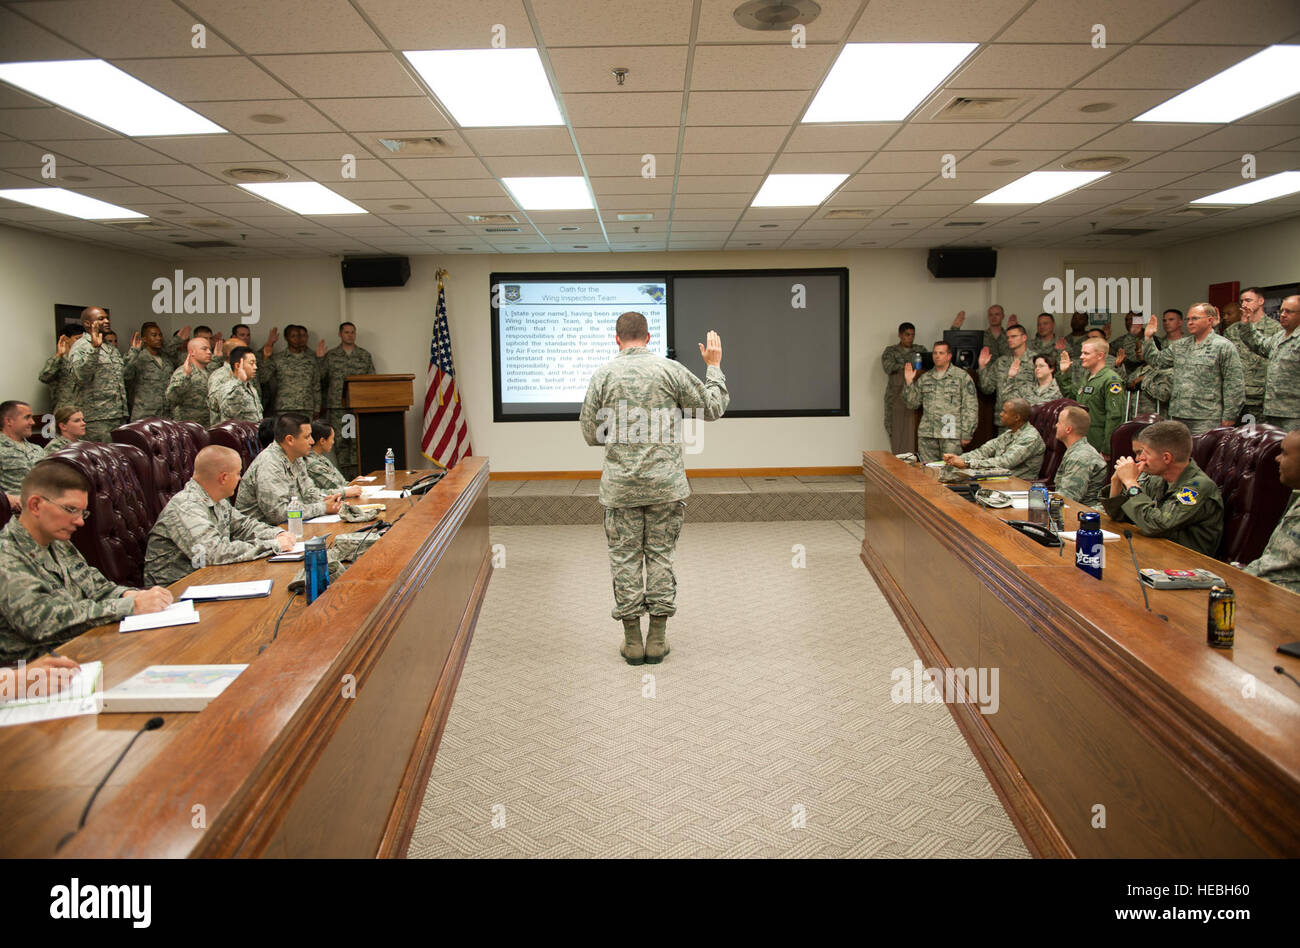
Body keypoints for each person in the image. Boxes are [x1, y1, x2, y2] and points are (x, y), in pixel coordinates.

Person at [579, 312, 729, 666]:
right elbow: (713, 408)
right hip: (665, 487)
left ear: (617, 339)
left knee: (625, 559)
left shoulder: (603, 375)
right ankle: (657, 638)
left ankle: (632, 641)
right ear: (648, 337)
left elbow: (589, 433)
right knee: (660, 556)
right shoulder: (670, 370)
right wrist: (714, 367)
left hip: (620, 488)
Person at [0, 461, 172, 664]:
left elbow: (97, 587)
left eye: (83, 512)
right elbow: (42, 622)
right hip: (37, 674)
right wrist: (130, 605)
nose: (80, 521)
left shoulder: (58, 541)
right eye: (71, 509)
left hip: (88, 649)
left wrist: (129, 594)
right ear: (36, 505)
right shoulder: (7, 555)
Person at [145, 446, 296, 586]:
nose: (240, 479)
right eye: (237, 473)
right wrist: (274, 545)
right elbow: (213, 553)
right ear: (223, 477)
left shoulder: (217, 500)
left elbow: (244, 526)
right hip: (175, 591)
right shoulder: (186, 506)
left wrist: (278, 534)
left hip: (209, 579)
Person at [1101, 420, 1223, 556]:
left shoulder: (1197, 487)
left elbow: (1156, 525)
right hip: (1154, 551)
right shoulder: (1158, 479)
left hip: (1187, 562)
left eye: (1145, 453)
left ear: (1166, 457)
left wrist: (1130, 483)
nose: (1140, 458)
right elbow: (1120, 515)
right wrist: (1117, 481)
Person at [236, 412, 357, 526]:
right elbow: (278, 514)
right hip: (265, 533)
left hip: (291, 526)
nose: (312, 441)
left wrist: (331, 501)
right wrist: (323, 507)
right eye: (307, 437)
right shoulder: (270, 464)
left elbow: (309, 493)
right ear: (290, 440)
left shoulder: (297, 458)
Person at [1142, 302, 1244, 437]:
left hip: (1207, 417)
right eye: (1188, 319)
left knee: (1201, 457)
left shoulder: (1223, 346)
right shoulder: (1180, 346)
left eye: (1195, 318)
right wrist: (1148, 338)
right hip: (1178, 415)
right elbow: (1157, 361)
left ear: (1210, 320)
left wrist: (1230, 416)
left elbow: (1234, 384)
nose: (1189, 322)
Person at [1240, 429, 1300, 593]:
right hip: (1256, 589)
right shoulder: (1296, 498)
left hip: (1282, 604)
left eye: (1284, 453)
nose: (1277, 458)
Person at [901, 340, 977, 462]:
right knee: (928, 472)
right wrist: (909, 382)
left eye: (941, 353)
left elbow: (971, 407)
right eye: (935, 353)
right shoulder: (925, 378)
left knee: (950, 472)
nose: (937, 356)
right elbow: (912, 404)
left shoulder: (962, 377)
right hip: (927, 434)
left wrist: (967, 433)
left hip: (951, 434)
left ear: (949, 356)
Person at [320, 321, 376, 479]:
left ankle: (360, 475)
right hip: (338, 407)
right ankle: (343, 478)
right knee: (340, 441)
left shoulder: (364, 355)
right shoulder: (331, 356)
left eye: (352, 332)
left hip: (359, 408)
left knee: (357, 441)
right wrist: (319, 358)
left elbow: (372, 380)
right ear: (340, 334)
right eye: (346, 332)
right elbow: (320, 379)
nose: (350, 335)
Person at [1236, 294, 1300, 432]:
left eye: (1289, 311)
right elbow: (1258, 345)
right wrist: (1247, 325)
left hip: (1294, 413)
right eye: (1281, 310)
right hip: (1272, 410)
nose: (1282, 315)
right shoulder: (1279, 337)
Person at [943, 398, 1044, 481]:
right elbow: (984, 451)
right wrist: (958, 459)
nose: (1001, 414)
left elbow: (1005, 462)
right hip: (999, 478)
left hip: (1018, 482)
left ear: (1016, 417)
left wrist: (967, 463)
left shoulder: (1030, 437)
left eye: (1004, 412)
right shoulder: (1009, 433)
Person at [66, 306, 128, 442]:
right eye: (101, 319)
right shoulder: (81, 346)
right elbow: (80, 377)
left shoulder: (111, 348)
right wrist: (94, 349)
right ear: (87, 324)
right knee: (101, 459)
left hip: (118, 415)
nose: (107, 321)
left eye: (107, 318)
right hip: (96, 419)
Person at [1058, 338, 1125, 459]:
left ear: (1100, 355)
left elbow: (1115, 417)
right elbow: (1072, 398)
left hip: (1098, 442)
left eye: (1086, 353)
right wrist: (1064, 373)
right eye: (1082, 353)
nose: (1081, 357)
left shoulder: (1111, 380)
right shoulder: (1088, 377)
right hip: (1082, 440)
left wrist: (1107, 449)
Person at [1226, 287, 1283, 424]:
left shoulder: (1276, 329)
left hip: (1260, 397)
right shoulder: (1233, 330)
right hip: (1236, 396)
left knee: (1257, 440)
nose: (1244, 305)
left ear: (1261, 301)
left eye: (1248, 300)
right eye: (1242, 301)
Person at [978, 324, 1035, 429]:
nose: (1009, 340)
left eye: (1014, 336)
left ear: (1024, 338)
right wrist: (982, 367)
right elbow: (987, 388)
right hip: (1005, 421)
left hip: (1028, 421)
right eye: (1008, 337)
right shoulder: (1001, 362)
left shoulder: (1035, 361)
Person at [261, 325, 324, 418]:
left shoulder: (311, 360)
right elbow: (263, 378)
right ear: (286, 338)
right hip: (284, 407)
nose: (297, 339)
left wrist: (317, 408)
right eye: (293, 336)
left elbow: (316, 385)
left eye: (299, 336)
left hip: (306, 408)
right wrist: (266, 358)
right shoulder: (278, 359)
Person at [881, 322, 927, 450]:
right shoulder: (891, 351)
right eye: (907, 335)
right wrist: (906, 366)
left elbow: (929, 365)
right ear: (900, 335)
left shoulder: (920, 350)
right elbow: (888, 367)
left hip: (915, 395)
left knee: (915, 431)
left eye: (912, 335)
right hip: (896, 395)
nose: (910, 338)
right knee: (895, 430)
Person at [1052, 406, 1108, 507]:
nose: (1056, 425)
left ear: (1068, 429)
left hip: (1081, 514)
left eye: (1059, 422)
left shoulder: (1081, 457)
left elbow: (1067, 498)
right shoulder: (1077, 451)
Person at [123, 322, 175, 421]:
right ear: (144, 339)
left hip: (166, 415)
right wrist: (133, 352)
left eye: (160, 335)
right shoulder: (138, 358)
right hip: (145, 415)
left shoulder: (167, 360)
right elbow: (125, 375)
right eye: (154, 335)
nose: (159, 338)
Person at [0, 401, 45, 507]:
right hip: (14, 514)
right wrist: (7, 499)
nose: (33, 422)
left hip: (45, 508)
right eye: (27, 417)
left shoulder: (37, 449)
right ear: (9, 421)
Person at [165, 336, 215, 425]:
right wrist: (185, 376)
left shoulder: (208, 372)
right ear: (192, 352)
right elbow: (171, 398)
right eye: (204, 349)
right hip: (188, 427)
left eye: (210, 349)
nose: (209, 352)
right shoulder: (183, 371)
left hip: (206, 425)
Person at [212, 346, 264, 424]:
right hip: (238, 434)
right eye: (251, 363)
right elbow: (230, 412)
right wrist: (239, 382)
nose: (255, 367)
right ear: (237, 366)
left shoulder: (250, 387)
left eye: (255, 363)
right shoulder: (228, 388)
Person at [38, 331, 82, 415]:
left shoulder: (84, 360)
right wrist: (59, 355)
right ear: (66, 339)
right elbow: (44, 377)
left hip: (84, 410)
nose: (81, 342)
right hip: (64, 410)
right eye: (78, 338)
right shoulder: (58, 360)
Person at [305, 421, 349, 492]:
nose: (333, 442)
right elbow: (336, 487)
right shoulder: (312, 464)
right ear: (322, 441)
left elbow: (342, 482)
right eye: (332, 439)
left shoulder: (321, 458)